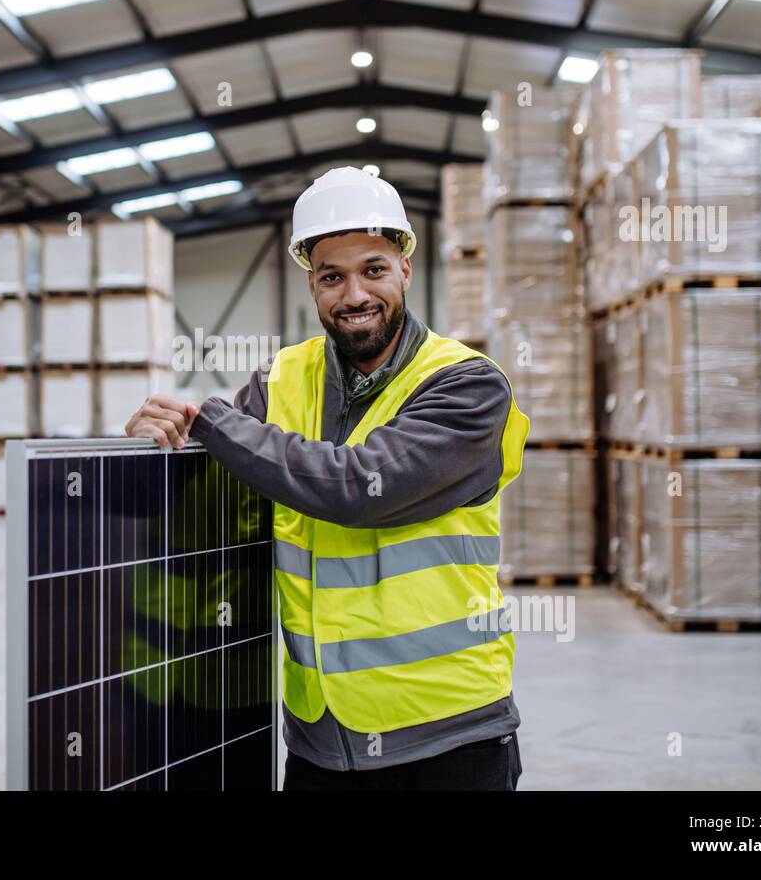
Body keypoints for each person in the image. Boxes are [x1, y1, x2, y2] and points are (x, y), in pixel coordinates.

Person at [125, 166, 531, 790]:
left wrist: (207, 416)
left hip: (448, 732)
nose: (354, 296)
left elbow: (359, 486)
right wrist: (161, 435)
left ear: (405, 270)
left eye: (373, 269)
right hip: (320, 738)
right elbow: (220, 487)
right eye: (331, 277)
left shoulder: (468, 386)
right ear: (311, 284)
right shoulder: (281, 380)